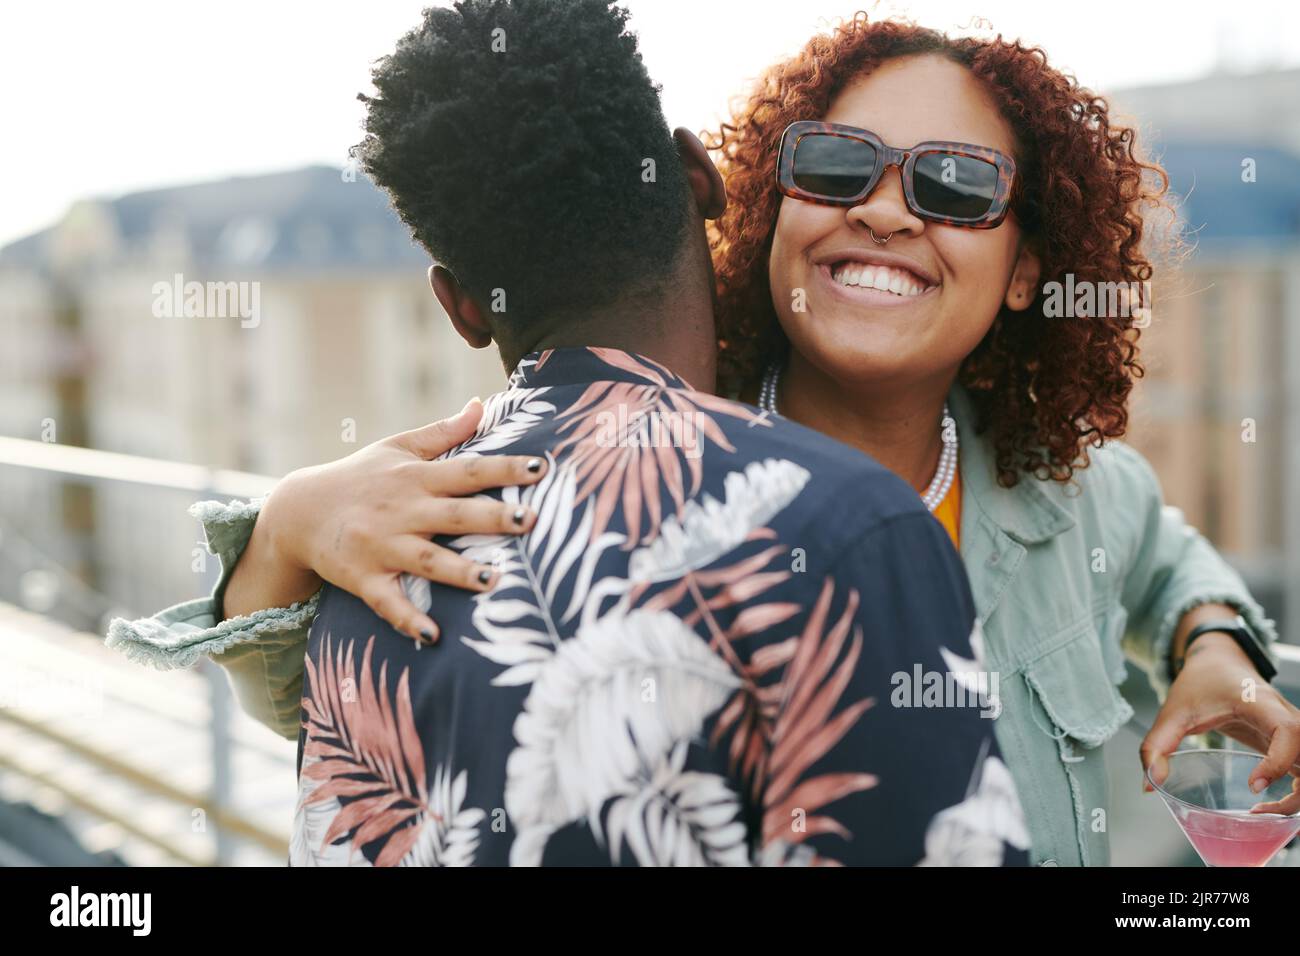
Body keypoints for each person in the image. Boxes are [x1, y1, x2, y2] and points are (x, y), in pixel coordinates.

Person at [112, 12, 1296, 865]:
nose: (885, 208)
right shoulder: (581, 477)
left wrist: (1212, 644)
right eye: (835, 166)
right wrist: (282, 528)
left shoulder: (1071, 491)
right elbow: (375, 710)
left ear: (1028, 265)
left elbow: (1163, 555)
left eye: (953, 186)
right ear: (756, 203)